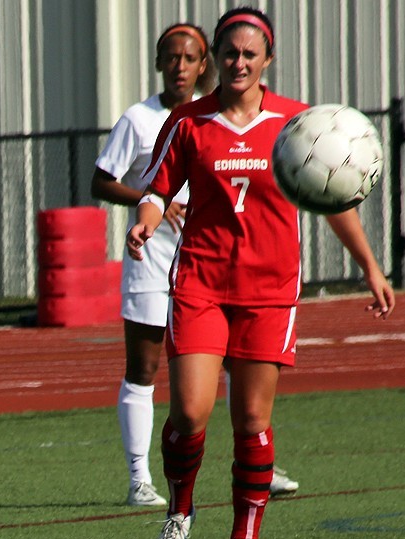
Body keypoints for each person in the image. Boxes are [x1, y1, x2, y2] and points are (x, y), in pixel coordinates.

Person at [126, 7, 394, 539]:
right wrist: (147, 220)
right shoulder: (190, 121)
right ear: (215, 61)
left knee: (251, 420)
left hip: (269, 290)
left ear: (267, 59)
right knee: (190, 414)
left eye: (250, 54)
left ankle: (244, 538)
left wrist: (370, 266)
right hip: (200, 283)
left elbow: (335, 199)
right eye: (230, 53)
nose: (239, 62)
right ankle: (179, 512)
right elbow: (157, 188)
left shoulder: (301, 125)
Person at [94, 23, 300, 508]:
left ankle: (251, 466)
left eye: (190, 59)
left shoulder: (251, 118)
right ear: (160, 62)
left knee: (239, 378)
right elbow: (105, 181)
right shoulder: (145, 119)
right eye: (172, 58)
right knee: (151, 372)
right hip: (160, 259)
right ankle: (140, 476)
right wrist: (152, 210)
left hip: (228, 264)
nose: (181, 67)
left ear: (203, 63)